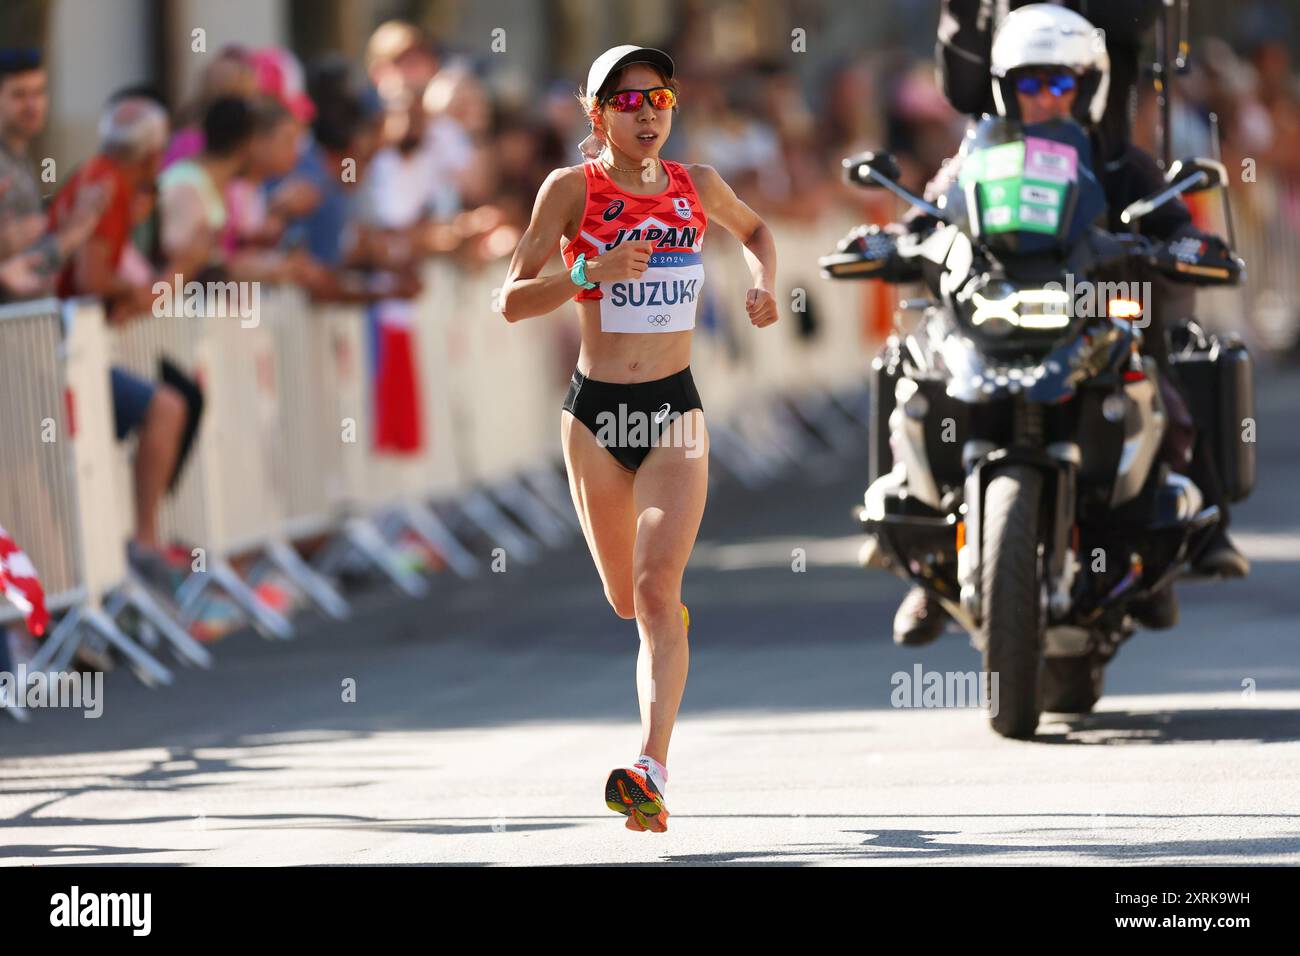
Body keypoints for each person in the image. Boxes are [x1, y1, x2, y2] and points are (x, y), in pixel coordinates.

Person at [882, 5, 1247, 646]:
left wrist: (1187, 245)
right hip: (989, 316)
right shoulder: (975, 154)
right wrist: (893, 239)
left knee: (1161, 376)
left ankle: (1169, 549)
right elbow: (927, 215)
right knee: (914, 375)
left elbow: (1176, 224)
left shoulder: (1118, 160)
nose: (1044, 96)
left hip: (1090, 320)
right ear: (1004, 88)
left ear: (1088, 87)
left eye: (1059, 82)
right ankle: (928, 568)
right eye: (1029, 82)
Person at [501, 46, 779, 833]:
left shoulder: (699, 185)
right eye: (628, 102)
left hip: (672, 411)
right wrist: (590, 274)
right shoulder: (571, 189)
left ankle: (649, 768)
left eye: (659, 98)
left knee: (657, 590)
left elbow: (757, 230)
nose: (648, 113)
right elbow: (511, 301)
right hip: (596, 415)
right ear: (597, 115)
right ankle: (663, 630)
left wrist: (763, 282)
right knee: (627, 601)